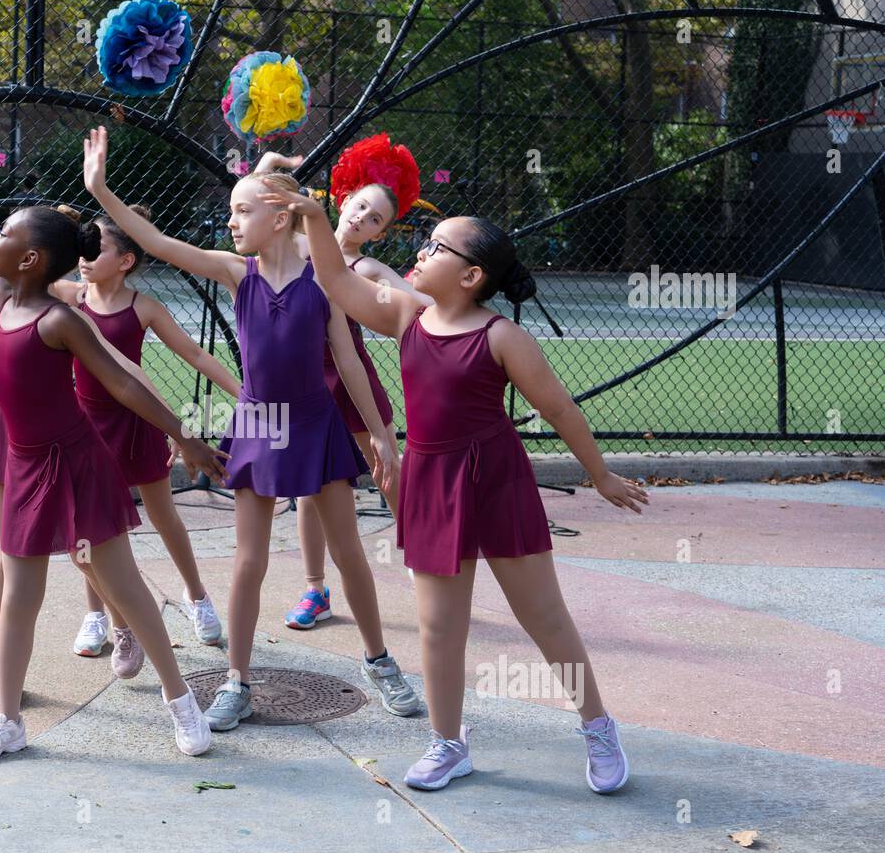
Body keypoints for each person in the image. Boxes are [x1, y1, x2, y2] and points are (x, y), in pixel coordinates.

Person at [267, 181, 647, 793]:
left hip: (497, 480)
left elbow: (559, 409)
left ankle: (598, 725)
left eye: (438, 246)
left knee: (545, 617)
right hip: (431, 480)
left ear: (471, 277)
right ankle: (448, 743)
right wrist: (314, 216)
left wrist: (598, 473)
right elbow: (335, 282)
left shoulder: (501, 337)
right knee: (439, 627)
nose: (422, 250)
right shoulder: (405, 313)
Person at [0, 167, 229, 762]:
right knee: (20, 595)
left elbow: (123, 386)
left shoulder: (61, 321)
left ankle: (181, 701)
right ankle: (8, 719)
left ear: (30, 258)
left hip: (78, 466)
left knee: (127, 592)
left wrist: (183, 437)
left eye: (2, 235)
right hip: (26, 468)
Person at [83, 125, 423, 731]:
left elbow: (347, 360)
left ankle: (380, 661)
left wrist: (382, 436)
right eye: (232, 211)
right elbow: (157, 243)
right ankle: (238, 681)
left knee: (350, 554)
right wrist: (100, 189)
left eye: (243, 211)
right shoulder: (237, 273)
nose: (232, 222)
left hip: (316, 424)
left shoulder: (326, 278)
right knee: (248, 561)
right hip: (260, 422)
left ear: (282, 214)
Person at [252, 152, 433, 631]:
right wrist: (268, 160)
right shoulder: (293, 243)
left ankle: (421, 562)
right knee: (309, 493)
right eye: (360, 206)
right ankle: (315, 590)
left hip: (350, 377)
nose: (361, 219)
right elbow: (252, 203)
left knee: (389, 473)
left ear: (379, 233)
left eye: (375, 219)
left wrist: (454, 286)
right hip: (303, 382)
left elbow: (418, 304)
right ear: (342, 198)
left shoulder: (367, 268)